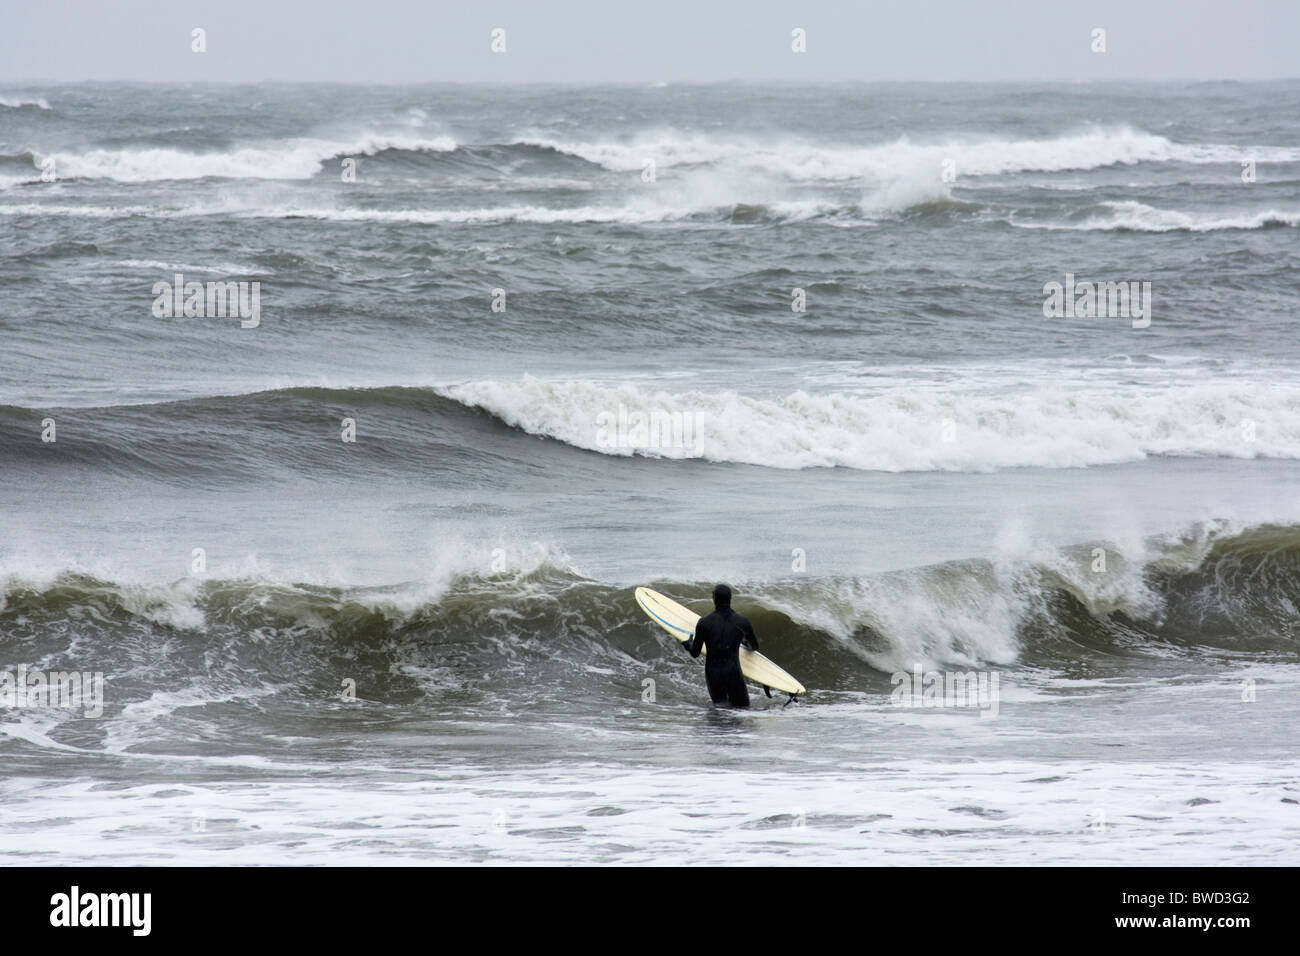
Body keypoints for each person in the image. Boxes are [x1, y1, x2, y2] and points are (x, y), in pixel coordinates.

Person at [686, 584, 758, 707]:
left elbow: (695, 653)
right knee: (742, 709)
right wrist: (744, 642)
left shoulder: (704, 623)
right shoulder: (742, 622)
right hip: (733, 672)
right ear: (730, 599)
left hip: (713, 674)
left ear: (714, 599)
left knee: (720, 712)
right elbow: (755, 646)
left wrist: (688, 644)